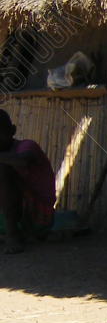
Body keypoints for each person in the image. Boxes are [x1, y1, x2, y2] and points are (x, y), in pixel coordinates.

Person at [0, 108, 56, 253]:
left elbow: (22, 161)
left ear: (12, 131)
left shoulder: (27, 146)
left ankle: (12, 237)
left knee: (3, 168)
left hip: (38, 217)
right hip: (15, 215)